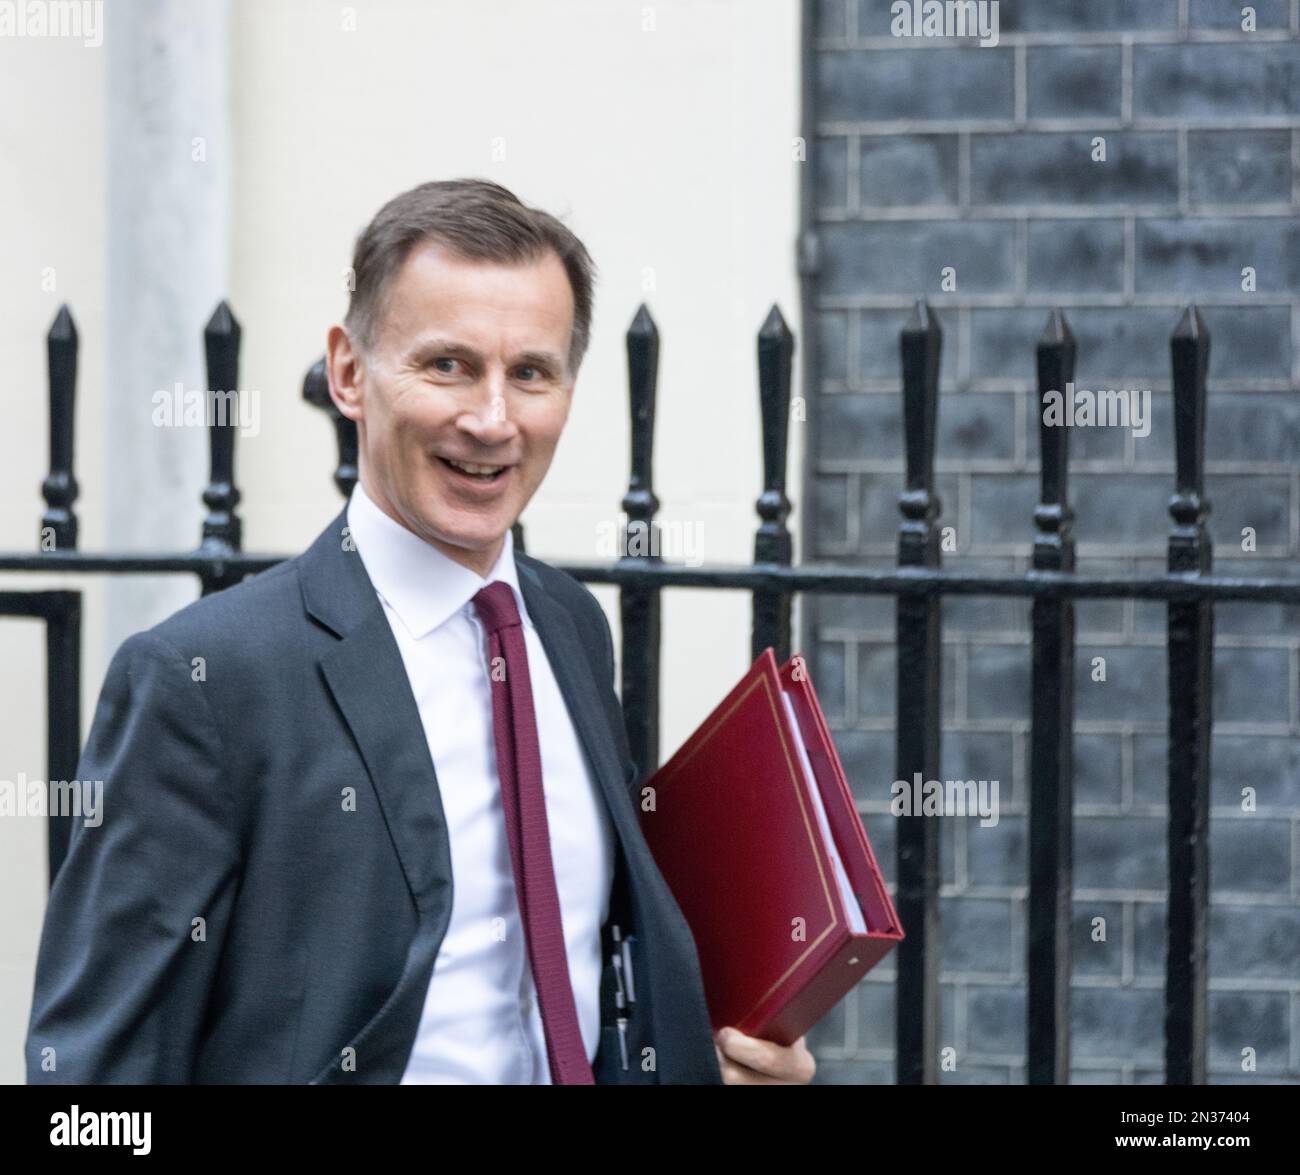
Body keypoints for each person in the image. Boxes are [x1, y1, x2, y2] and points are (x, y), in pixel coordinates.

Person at [25, 178, 815, 1086]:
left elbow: (596, 973)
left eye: (530, 372)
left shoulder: (570, 628)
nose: (491, 418)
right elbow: (91, 1077)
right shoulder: (202, 679)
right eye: (447, 364)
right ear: (350, 373)